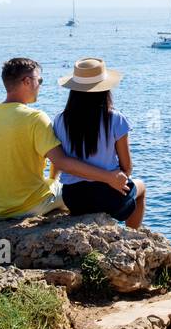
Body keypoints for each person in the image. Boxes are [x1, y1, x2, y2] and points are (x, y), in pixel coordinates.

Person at [0, 58, 128, 219]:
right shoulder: (35, 118)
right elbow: (61, 162)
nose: (40, 85)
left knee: (59, 186)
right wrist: (109, 177)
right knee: (76, 194)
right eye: (39, 80)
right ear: (27, 81)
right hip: (25, 205)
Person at [49, 57, 147, 229]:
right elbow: (127, 167)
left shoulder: (60, 120)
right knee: (141, 187)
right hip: (109, 197)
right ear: (105, 88)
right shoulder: (115, 119)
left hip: (74, 198)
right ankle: (132, 235)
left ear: (74, 89)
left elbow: (59, 161)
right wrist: (114, 178)